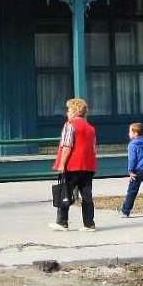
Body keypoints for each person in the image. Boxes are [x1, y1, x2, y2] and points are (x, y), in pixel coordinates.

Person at [49, 97, 97, 232]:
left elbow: (67, 146)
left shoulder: (70, 125)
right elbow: (93, 148)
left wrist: (61, 164)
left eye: (69, 110)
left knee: (65, 192)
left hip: (72, 165)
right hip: (88, 166)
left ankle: (62, 221)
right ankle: (89, 223)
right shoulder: (90, 128)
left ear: (75, 111)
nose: (67, 113)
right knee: (87, 195)